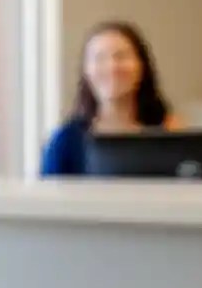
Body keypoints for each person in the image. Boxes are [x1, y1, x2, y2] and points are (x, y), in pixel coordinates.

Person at [41, 20, 178, 176]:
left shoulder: (170, 134)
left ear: (142, 67)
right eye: (99, 58)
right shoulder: (65, 142)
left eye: (121, 56)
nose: (112, 67)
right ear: (86, 71)